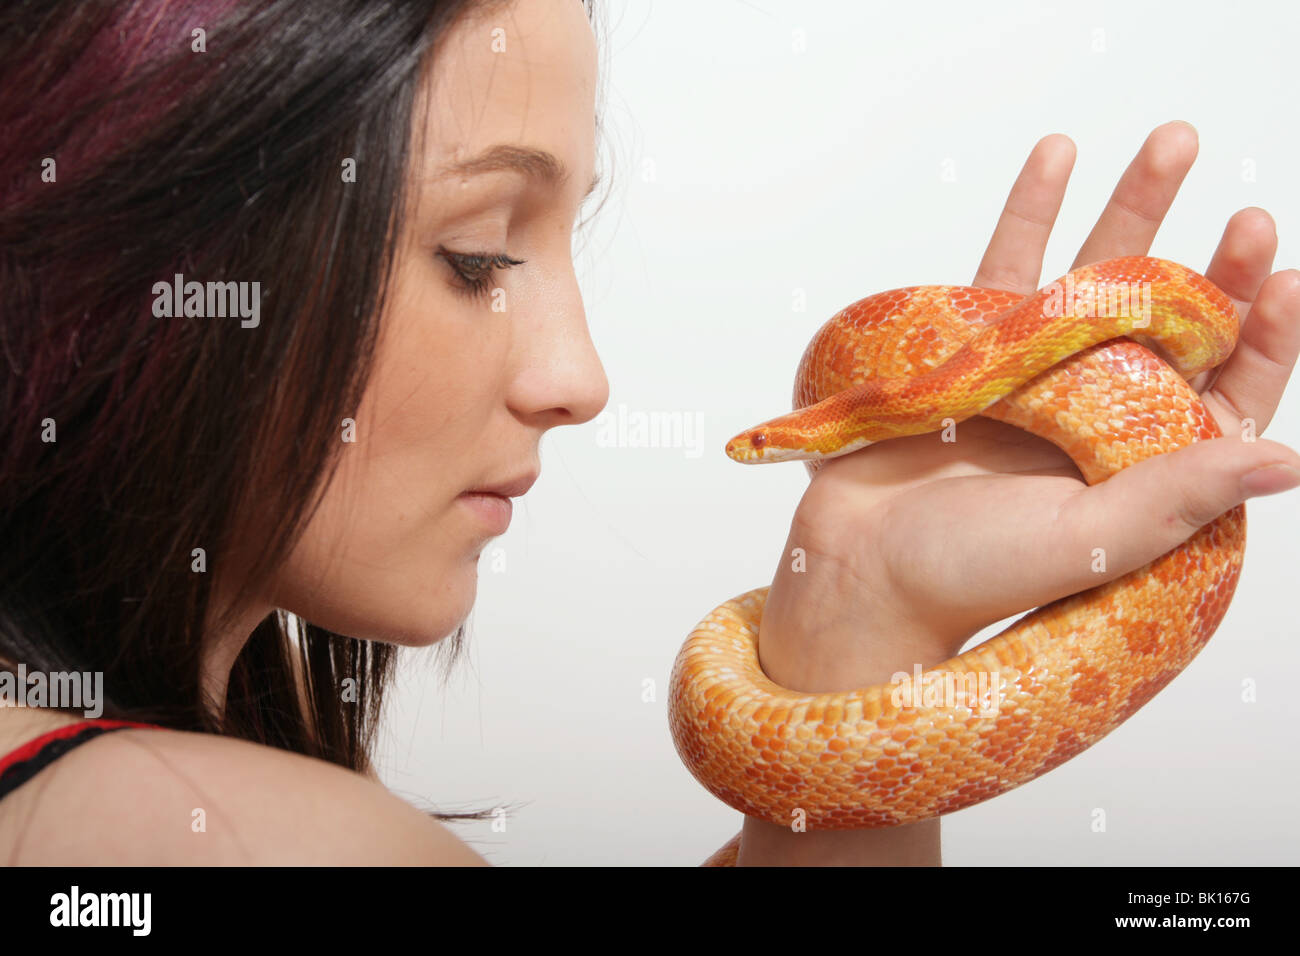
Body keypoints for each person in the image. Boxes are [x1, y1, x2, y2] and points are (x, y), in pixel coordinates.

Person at [1, 0, 1296, 866]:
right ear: (165, 269)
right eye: (477, 255)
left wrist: (861, 614)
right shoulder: (225, 837)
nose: (582, 379)